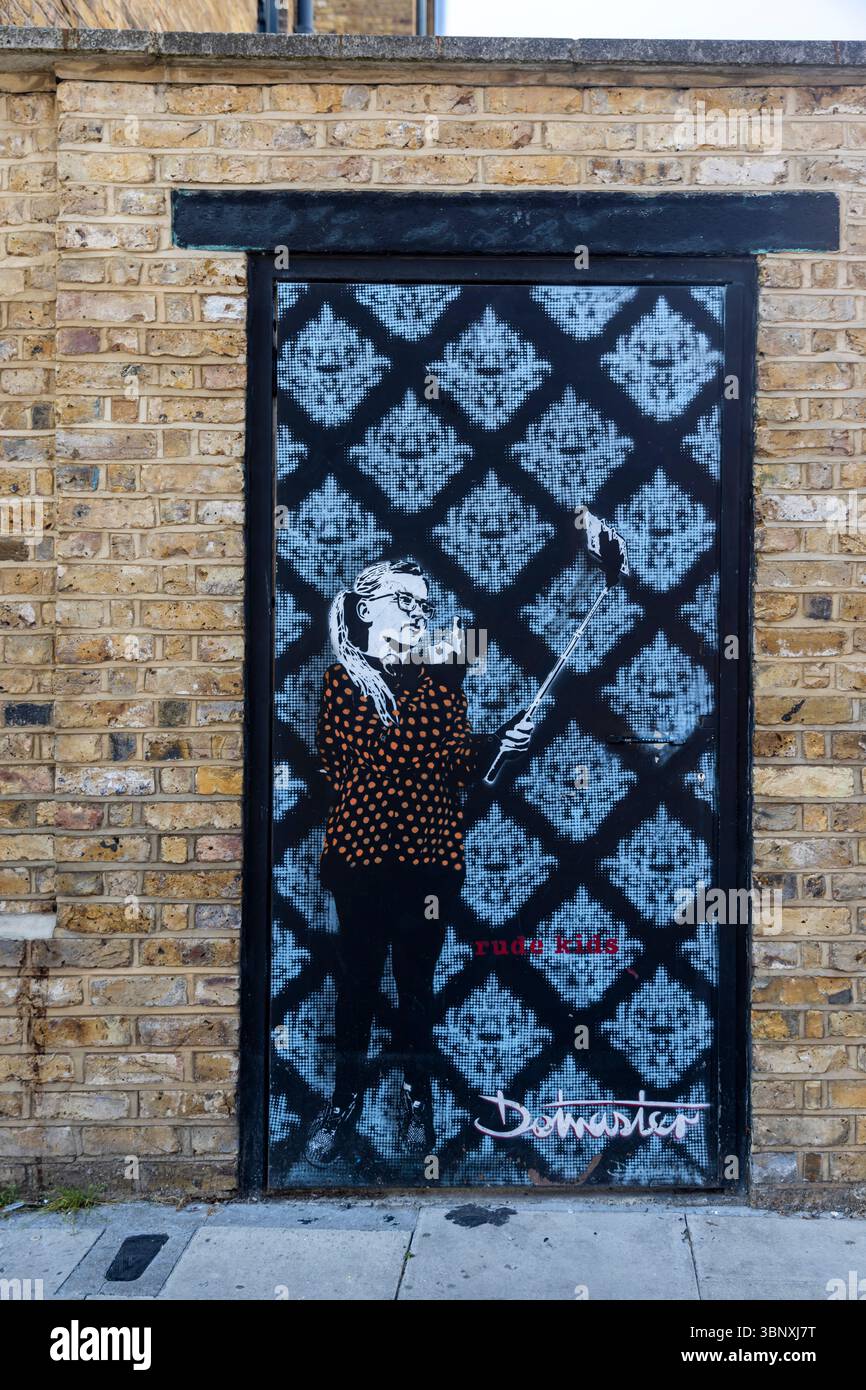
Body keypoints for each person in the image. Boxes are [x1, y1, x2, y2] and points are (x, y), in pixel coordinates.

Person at [302, 557, 533, 1166]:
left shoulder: (440, 687)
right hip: (361, 860)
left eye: (425, 607)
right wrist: (439, 687)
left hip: (429, 861)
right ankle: (344, 1099)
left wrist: (497, 747)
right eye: (406, 601)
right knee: (356, 988)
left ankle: (416, 1098)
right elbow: (374, 758)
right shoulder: (343, 682)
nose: (420, 615)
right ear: (365, 608)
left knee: (415, 992)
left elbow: (456, 772)